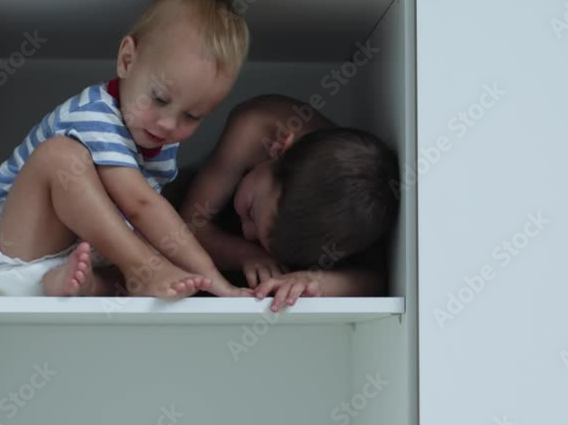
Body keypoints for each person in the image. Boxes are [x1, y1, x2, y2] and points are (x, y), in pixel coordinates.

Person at [0, 0, 252, 299]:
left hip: (76, 262)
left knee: (145, 244)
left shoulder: (158, 134)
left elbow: (149, 218)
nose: (169, 124)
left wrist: (212, 278)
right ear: (127, 60)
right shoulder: (93, 114)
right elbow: (140, 205)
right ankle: (139, 269)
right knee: (60, 157)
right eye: (159, 98)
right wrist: (190, 270)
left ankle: (80, 284)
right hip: (19, 251)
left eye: (193, 116)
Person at [169, 94, 400, 312]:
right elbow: (187, 227)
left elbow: (376, 280)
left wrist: (315, 281)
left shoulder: (356, 211)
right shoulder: (254, 126)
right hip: (206, 214)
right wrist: (246, 254)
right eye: (251, 211)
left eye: (259, 240)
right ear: (279, 149)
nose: (247, 232)